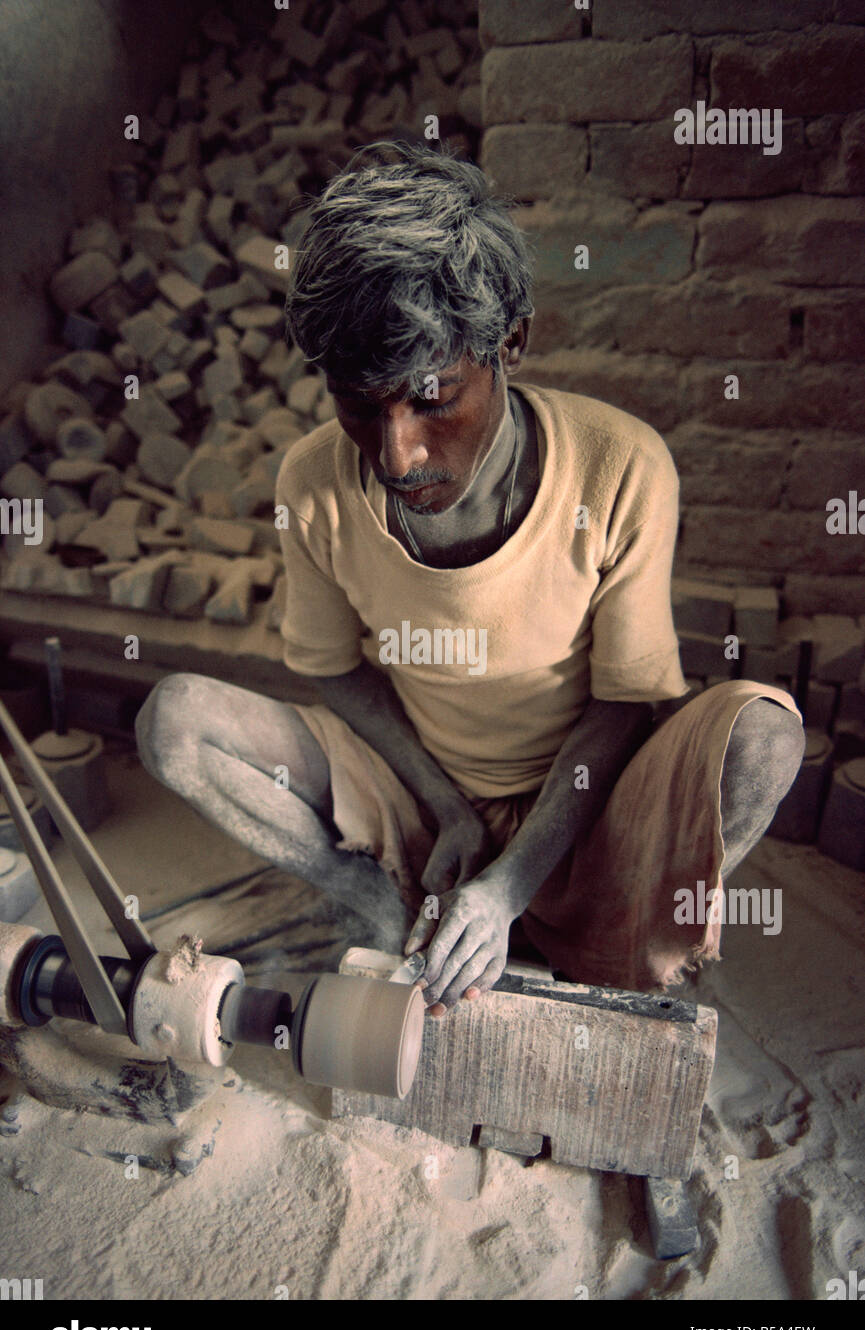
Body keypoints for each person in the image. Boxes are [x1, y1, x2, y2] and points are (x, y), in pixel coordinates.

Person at [136, 142, 804, 1018]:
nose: (395, 453)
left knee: (763, 738)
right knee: (173, 720)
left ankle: (596, 940)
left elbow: (624, 702)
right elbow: (333, 669)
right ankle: (381, 899)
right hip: (415, 798)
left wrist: (509, 883)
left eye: (433, 400)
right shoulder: (314, 482)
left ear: (510, 343)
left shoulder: (620, 466)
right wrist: (446, 808)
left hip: (583, 807)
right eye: (359, 404)